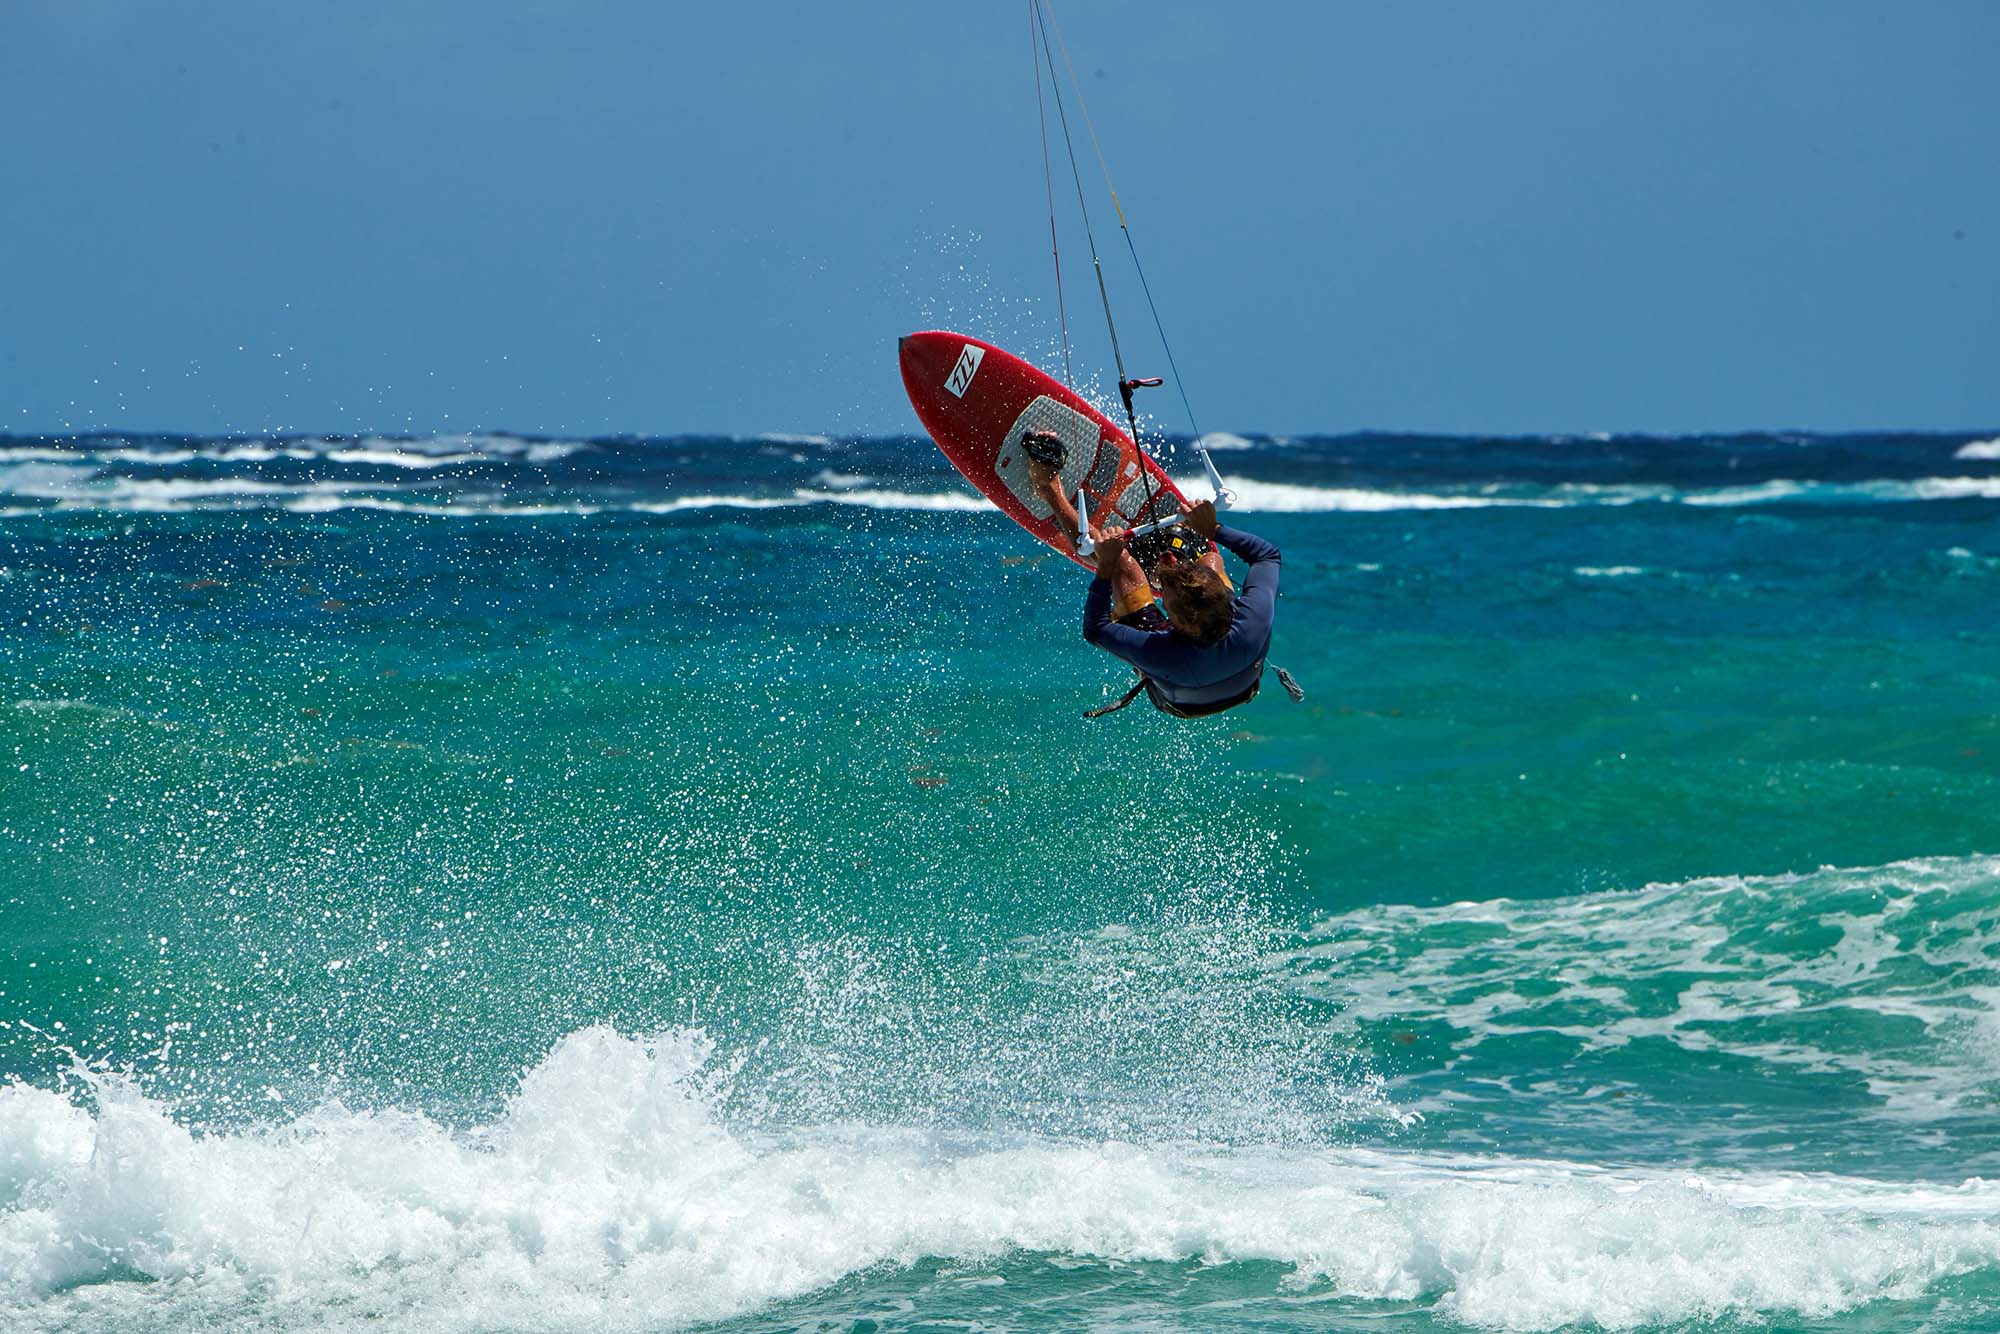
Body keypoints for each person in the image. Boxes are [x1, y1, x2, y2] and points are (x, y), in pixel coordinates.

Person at [1023, 431, 1281, 718]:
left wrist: (1106, 565)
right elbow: (1267, 555)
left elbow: (1095, 630)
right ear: (1226, 602)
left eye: (1166, 603)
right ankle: (1167, 573)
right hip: (1237, 671)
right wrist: (1213, 530)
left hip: (1177, 699)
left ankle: (1047, 488)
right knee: (1210, 559)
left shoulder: (1161, 652)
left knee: (1123, 564)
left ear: (1175, 624)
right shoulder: (1253, 619)